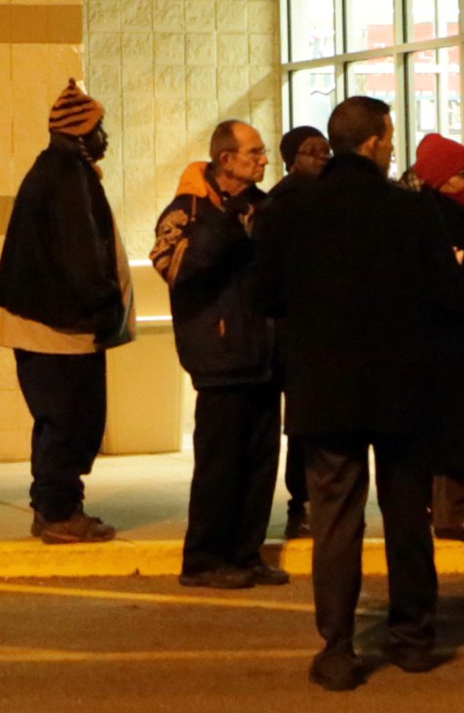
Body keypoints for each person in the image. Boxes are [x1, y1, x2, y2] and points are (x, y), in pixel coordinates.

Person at [257, 97, 464, 691]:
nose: (394, 146)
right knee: (407, 514)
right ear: (373, 142)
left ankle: (338, 647)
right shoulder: (412, 211)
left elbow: (266, 293)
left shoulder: (292, 211)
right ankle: (413, 638)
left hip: (324, 390)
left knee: (336, 519)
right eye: (390, 137)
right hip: (402, 388)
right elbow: (449, 298)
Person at [0, 80, 134, 545]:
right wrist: (104, 307)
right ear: (78, 133)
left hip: (50, 326)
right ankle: (59, 512)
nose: (105, 137)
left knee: (57, 422)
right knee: (70, 423)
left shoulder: (58, 169)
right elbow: (82, 257)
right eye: (98, 128)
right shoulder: (67, 175)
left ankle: (53, 506)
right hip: (59, 329)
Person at [152, 120, 288, 590]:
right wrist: (227, 224)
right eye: (254, 152)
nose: (264, 160)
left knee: (258, 465)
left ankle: (245, 553)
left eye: (264, 152)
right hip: (221, 361)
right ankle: (205, 558)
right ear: (226, 159)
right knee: (220, 467)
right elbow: (174, 267)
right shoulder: (187, 210)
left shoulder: (264, 208)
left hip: (265, 360)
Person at [400, 132, 464, 544]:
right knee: (449, 429)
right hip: (439, 343)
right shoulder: (428, 217)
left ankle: (454, 504)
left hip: (463, 338)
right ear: (437, 177)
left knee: (460, 427)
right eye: (459, 174)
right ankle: (450, 509)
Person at [268, 124, 330, 540]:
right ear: (291, 159)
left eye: (325, 149)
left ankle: (314, 501)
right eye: (310, 151)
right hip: (297, 330)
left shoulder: (327, 199)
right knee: (305, 421)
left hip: (318, 328)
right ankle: (302, 502)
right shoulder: (286, 203)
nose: (321, 156)